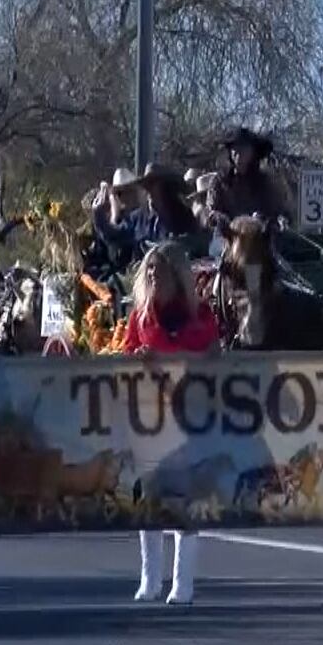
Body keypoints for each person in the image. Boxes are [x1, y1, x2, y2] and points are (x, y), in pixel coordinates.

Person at [120, 241, 220, 605]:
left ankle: (183, 583)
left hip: (192, 416)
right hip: (150, 417)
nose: (151, 276)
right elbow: (127, 353)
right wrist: (137, 358)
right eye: (148, 270)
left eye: (159, 270)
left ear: (177, 277)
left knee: (187, 496)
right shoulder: (140, 318)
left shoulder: (202, 318)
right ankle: (149, 579)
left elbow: (212, 357)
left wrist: (193, 360)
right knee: (150, 495)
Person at [92, 164, 202, 276]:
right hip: (144, 284)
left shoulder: (184, 218)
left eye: (153, 186)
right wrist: (99, 215)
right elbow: (115, 236)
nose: (149, 193)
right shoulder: (139, 218)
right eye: (147, 187)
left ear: (167, 190)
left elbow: (195, 249)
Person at [212, 127, 290, 225]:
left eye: (244, 149)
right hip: (227, 234)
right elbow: (211, 211)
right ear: (230, 152)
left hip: (257, 234)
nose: (238, 154)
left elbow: (277, 210)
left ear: (253, 153)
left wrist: (274, 218)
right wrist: (219, 217)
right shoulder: (220, 180)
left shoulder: (264, 182)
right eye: (235, 148)